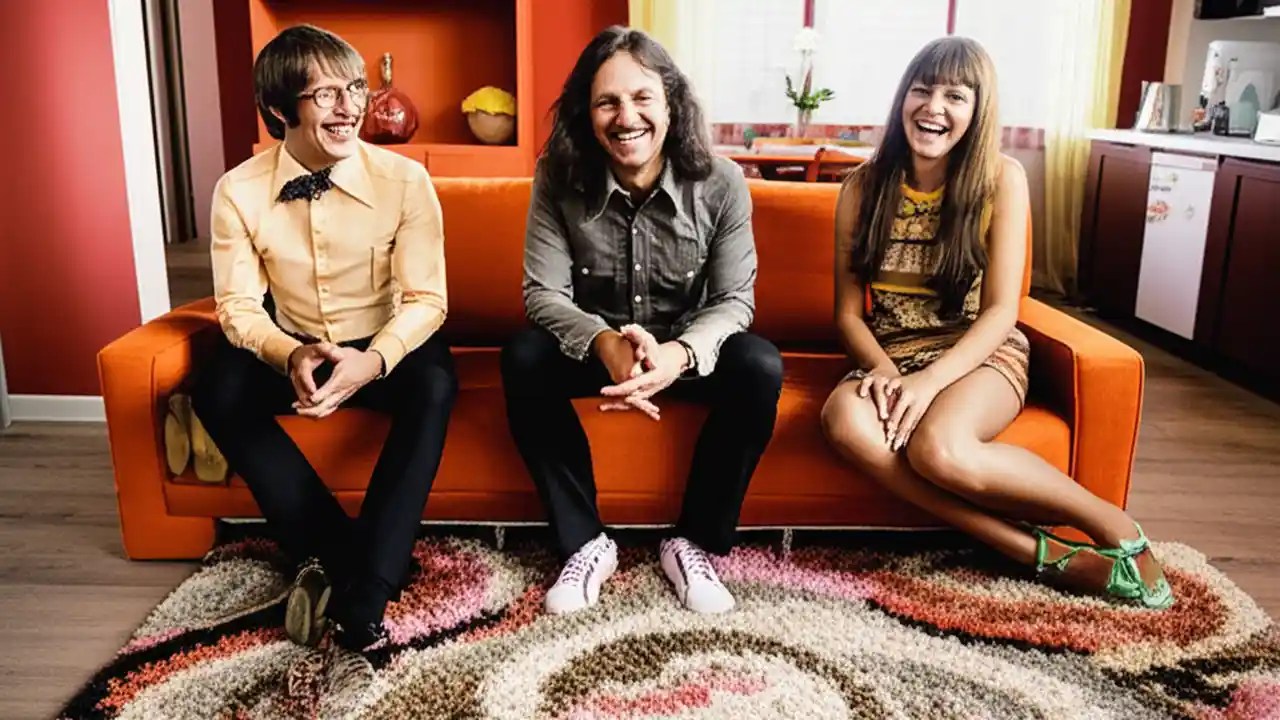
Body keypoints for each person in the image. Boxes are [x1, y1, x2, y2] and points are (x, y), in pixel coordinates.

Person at [820, 37, 1172, 609]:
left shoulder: (1001, 180)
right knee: (844, 421)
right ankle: (1032, 551)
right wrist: (885, 371)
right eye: (922, 90)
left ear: (977, 111)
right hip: (891, 350)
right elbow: (846, 314)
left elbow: (1002, 311)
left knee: (940, 451)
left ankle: (1115, 526)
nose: (934, 107)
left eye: (955, 95)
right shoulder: (861, 187)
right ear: (901, 99)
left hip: (978, 351)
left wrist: (927, 383)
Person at [192, 24, 458, 653]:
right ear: (281, 109)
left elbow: (427, 301)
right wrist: (290, 354)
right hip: (295, 344)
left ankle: (368, 592)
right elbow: (235, 306)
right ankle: (339, 551)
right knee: (217, 386)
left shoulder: (405, 181)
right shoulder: (238, 190)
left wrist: (373, 360)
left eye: (356, 89)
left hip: (384, 342)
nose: (350, 108)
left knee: (437, 384)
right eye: (326, 95)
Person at [501, 26, 783, 616]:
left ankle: (692, 543)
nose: (625, 117)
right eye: (607, 101)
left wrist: (676, 355)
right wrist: (603, 342)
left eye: (641, 98)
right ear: (586, 111)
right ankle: (585, 543)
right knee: (524, 355)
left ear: (672, 104)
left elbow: (735, 300)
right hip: (596, 353)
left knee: (758, 363)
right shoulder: (557, 175)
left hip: (682, 354)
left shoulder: (723, 183)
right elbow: (542, 294)